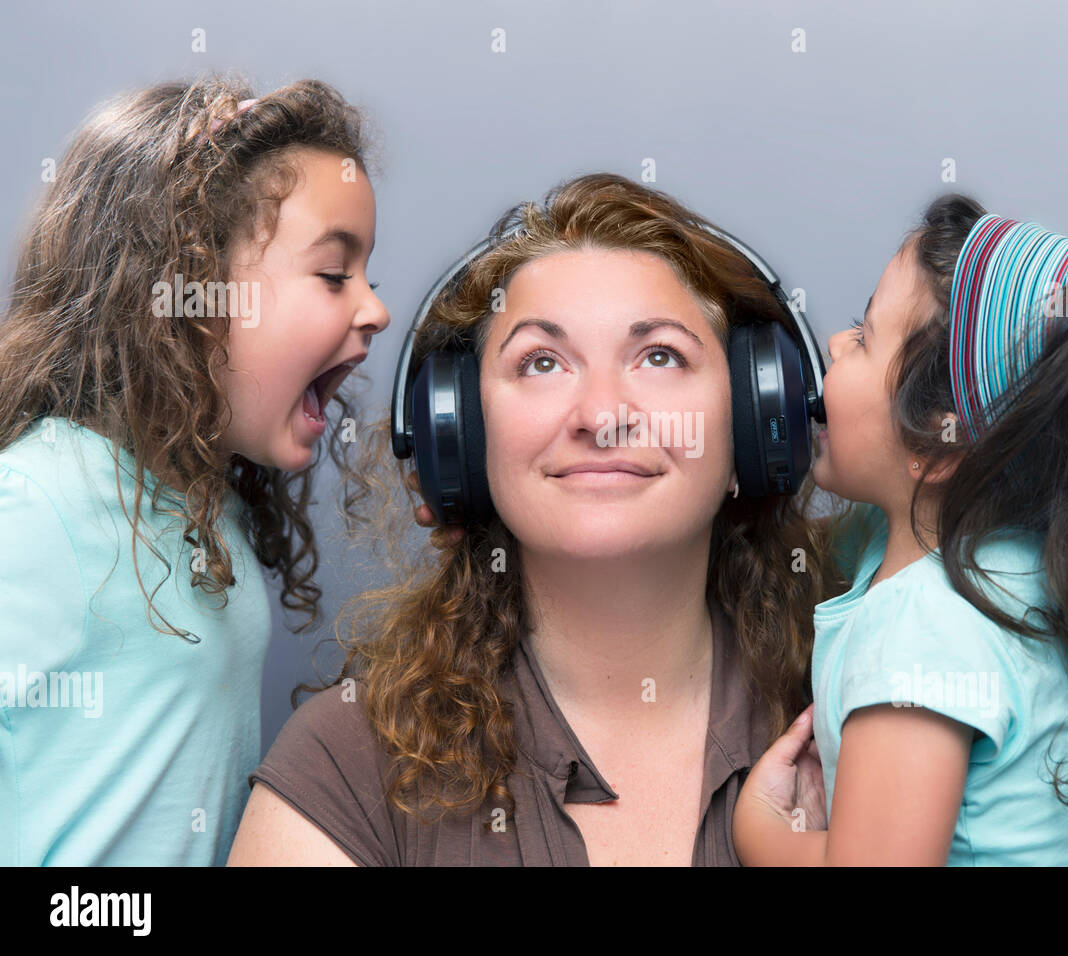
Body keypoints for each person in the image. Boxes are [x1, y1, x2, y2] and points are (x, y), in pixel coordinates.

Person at [227, 173, 840, 866]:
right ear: (458, 438)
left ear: (758, 430)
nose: (601, 417)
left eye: (660, 356)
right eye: (542, 362)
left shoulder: (876, 721)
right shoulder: (347, 764)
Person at [733, 195, 1068, 864]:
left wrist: (762, 836)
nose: (834, 346)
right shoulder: (1027, 566)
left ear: (937, 447)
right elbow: (813, 547)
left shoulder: (919, 632)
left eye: (864, 335)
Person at [0, 74, 390, 865]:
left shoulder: (205, 505)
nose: (376, 309)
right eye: (333, 273)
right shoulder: (40, 506)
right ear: (186, 290)